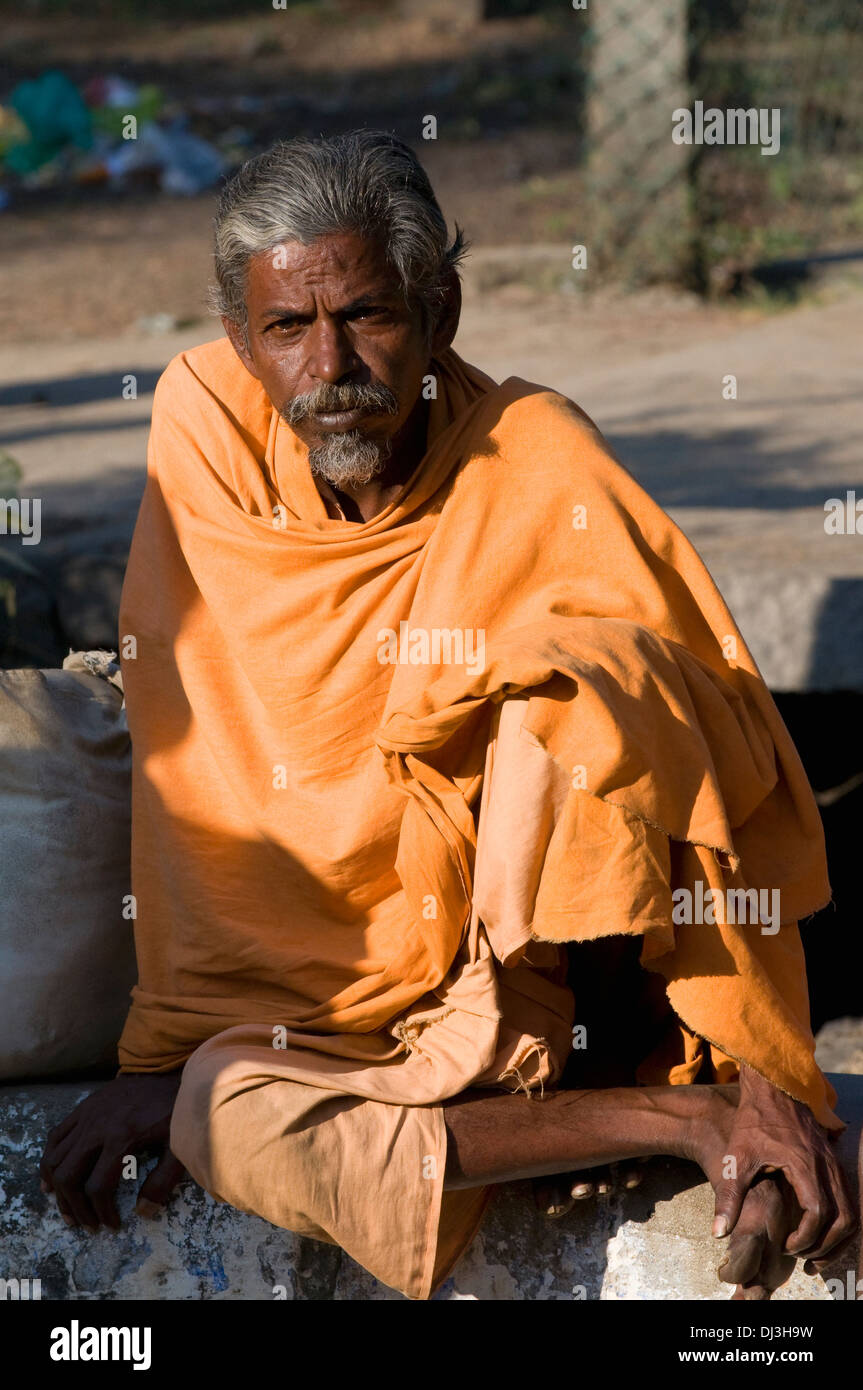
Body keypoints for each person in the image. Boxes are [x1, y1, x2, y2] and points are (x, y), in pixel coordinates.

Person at [40, 131, 857, 1301]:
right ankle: (671, 1120)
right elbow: (203, 746)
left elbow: (705, 731)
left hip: (517, 1001)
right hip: (293, 1029)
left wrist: (770, 1070)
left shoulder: (536, 457)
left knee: (592, 681)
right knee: (223, 1117)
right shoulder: (203, 428)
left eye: (368, 315)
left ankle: (644, 1093)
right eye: (286, 329)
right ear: (239, 339)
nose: (330, 364)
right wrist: (171, 1053)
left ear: (441, 309)